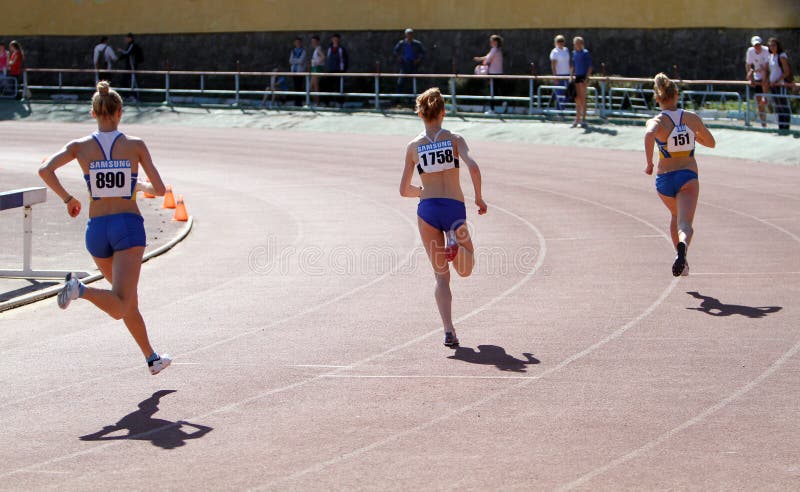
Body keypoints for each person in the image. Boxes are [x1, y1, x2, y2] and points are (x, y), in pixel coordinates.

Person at [38, 81, 172, 376]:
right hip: (127, 227)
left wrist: (68, 198)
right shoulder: (135, 145)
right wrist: (140, 185)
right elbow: (161, 189)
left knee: (126, 301)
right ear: (119, 112)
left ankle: (151, 357)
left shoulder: (79, 147)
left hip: (96, 230)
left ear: (93, 112)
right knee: (121, 305)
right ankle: (79, 289)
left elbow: (45, 170)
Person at [399, 87, 487, 347]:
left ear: (420, 114)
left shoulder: (414, 146)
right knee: (466, 268)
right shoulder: (455, 139)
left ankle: (448, 330)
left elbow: (404, 189)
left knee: (441, 277)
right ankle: (454, 247)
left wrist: (422, 192)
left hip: (427, 210)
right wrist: (479, 197)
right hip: (453, 207)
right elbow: (473, 167)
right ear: (443, 112)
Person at [644, 73, 716, 277]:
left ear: (657, 98)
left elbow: (649, 134)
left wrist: (649, 162)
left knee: (675, 215)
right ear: (677, 94)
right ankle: (682, 247)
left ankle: (681, 260)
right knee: (685, 224)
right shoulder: (692, 118)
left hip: (664, 179)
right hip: (687, 176)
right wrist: (693, 136)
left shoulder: (657, 121)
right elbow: (711, 143)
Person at [767, 37, 793, 132]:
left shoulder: (781, 56)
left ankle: (786, 127)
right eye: (770, 45)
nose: (772, 47)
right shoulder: (771, 56)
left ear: (778, 46)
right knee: (778, 106)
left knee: (784, 106)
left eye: (774, 45)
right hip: (774, 85)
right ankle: (781, 126)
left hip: (781, 85)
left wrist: (777, 81)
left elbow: (786, 71)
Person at [473, 34, 504, 114]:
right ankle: (503, 103)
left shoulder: (494, 49)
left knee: (492, 91)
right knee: (497, 90)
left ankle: (492, 109)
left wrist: (481, 60)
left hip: (493, 73)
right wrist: (480, 58)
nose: (490, 42)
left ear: (495, 42)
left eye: (492, 41)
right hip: (498, 72)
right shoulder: (498, 50)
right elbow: (488, 57)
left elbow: (488, 59)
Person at [745, 35, 770, 127]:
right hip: (757, 76)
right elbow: (748, 65)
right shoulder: (750, 51)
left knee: (764, 72)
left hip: (767, 76)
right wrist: (750, 75)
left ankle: (765, 95)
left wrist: (762, 72)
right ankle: (763, 123)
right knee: (760, 103)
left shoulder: (766, 50)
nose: (757, 46)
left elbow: (767, 66)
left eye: (758, 44)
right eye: (755, 45)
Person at [394, 28, 425, 95]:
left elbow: (423, 53)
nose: (409, 35)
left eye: (410, 34)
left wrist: (418, 59)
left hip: (413, 64)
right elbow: (395, 51)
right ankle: (398, 98)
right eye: (408, 34)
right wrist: (399, 57)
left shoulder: (417, 44)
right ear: (405, 35)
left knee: (413, 81)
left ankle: (412, 98)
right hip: (404, 64)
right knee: (401, 81)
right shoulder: (401, 43)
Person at [570, 36, 592, 127]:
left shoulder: (585, 53)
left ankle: (583, 119)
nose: (576, 44)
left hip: (583, 76)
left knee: (583, 98)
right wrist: (571, 76)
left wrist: (586, 78)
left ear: (581, 43)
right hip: (577, 76)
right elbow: (573, 66)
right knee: (577, 99)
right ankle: (577, 119)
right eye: (575, 43)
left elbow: (590, 67)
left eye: (578, 43)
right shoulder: (574, 53)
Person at [117, 33, 144, 101]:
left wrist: (121, 51)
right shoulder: (129, 45)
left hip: (132, 67)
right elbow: (126, 54)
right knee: (125, 80)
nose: (125, 40)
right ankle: (126, 96)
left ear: (130, 38)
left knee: (132, 81)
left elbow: (127, 53)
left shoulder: (132, 45)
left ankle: (135, 97)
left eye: (126, 38)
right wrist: (118, 59)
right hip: (128, 66)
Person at [549, 34, 570, 110]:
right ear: (556, 42)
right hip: (559, 75)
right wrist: (555, 77)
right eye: (559, 41)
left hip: (567, 75)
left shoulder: (566, 50)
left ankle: (562, 109)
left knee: (569, 94)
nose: (561, 42)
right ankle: (559, 112)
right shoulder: (554, 52)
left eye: (562, 41)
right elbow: (553, 66)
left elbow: (568, 62)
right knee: (560, 94)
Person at [325, 34, 348, 104]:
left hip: (339, 70)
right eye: (334, 39)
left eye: (336, 39)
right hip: (331, 70)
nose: (335, 40)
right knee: (329, 86)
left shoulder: (341, 49)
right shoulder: (329, 48)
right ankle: (327, 102)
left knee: (339, 87)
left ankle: (340, 102)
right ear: (332, 39)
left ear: (339, 40)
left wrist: (343, 70)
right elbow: (328, 58)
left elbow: (344, 60)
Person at [288, 36, 307, 106]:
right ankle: (296, 102)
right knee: (295, 87)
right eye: (296, 42)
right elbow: (290, 61)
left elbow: (301, 61)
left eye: (299, 42)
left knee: (300, 87)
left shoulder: (303, 51)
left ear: (301, 43)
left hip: (300, 71)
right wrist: (296, 60)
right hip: (294, 71)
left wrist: (294, 60)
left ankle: (300, 102)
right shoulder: (293, 51)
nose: (297, 43)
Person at [309, 35, 325, 106]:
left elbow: (323, 57)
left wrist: (317, 63)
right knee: (311, 87)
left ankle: (317, 103)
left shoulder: (318, 49)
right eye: (312, 42)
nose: (313, 43)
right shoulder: (316, 49)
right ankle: (315, 102)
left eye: (314, 42)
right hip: (314, 69)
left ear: (318, 42)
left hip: (317, 69)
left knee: (315, 87)